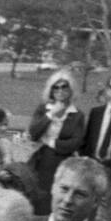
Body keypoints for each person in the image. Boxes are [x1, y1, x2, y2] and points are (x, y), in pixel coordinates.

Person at [28, 68, 86, 200]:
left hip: (64, 164)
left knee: (59, 198)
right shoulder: (43, 109)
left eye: (64, 87)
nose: (60, 90)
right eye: (56, 87)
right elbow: (34, 133)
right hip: (42, 161)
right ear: (51, 90)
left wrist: (49, 141)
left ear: (71, 90)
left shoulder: (77, 115)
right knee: (40, 197)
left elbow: (74, 143)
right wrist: (51, 114)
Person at [82, 71, 111, 221]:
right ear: (107, 90)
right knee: (86, 212)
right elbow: (86, 143)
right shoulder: (96, 113)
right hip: (93, 168)